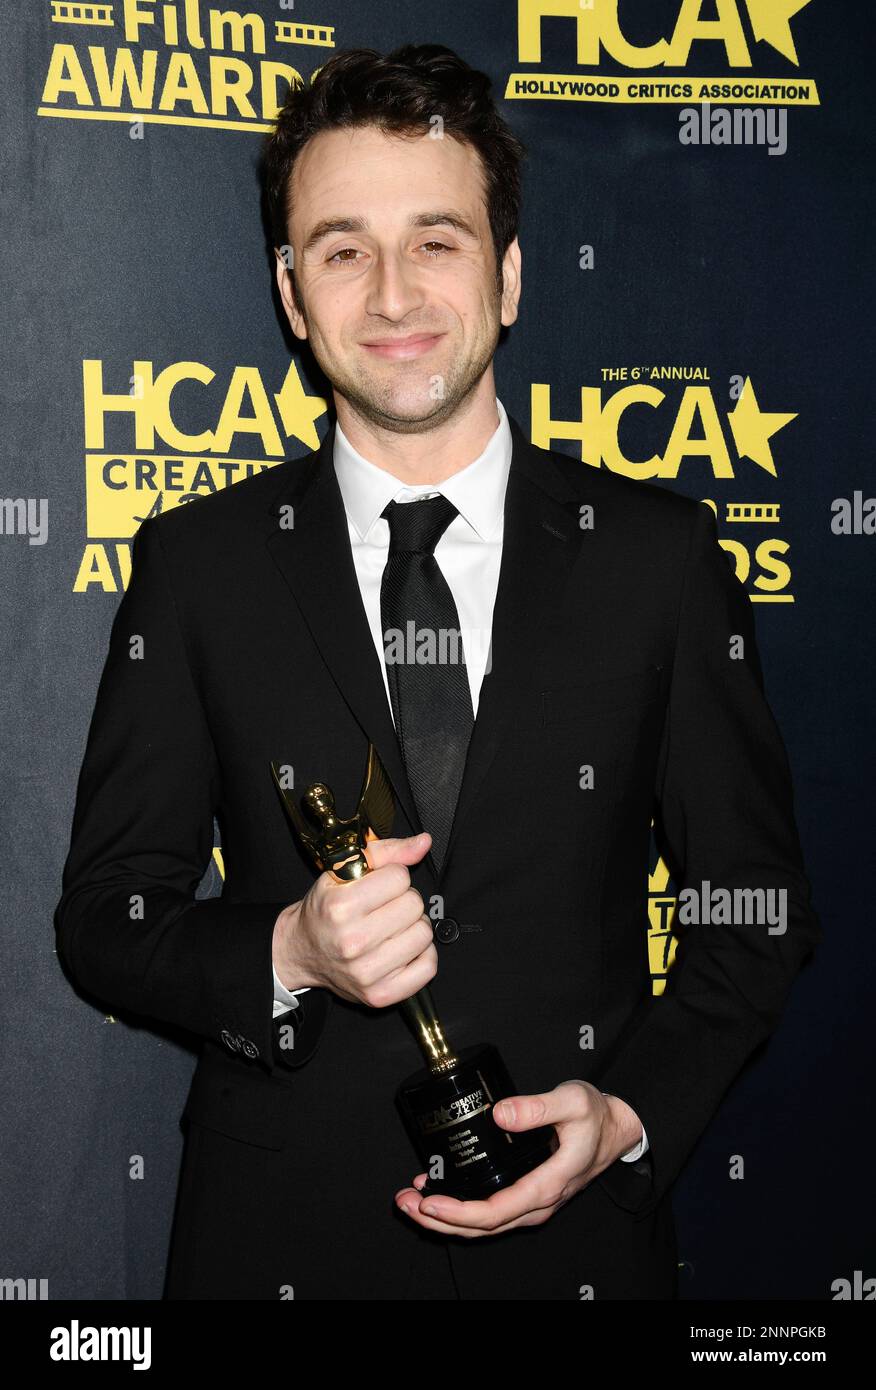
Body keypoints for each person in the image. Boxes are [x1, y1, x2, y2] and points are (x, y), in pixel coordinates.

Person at [55, 44, 820, 1301]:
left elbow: (757, 909)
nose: (395, 293)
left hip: (577, 1261)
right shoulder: (197, 566)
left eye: (440, 241)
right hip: (274, 1245)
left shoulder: (661, 561)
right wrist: (291, 953)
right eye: (344, 248)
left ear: (510, 275)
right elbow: (106, 919)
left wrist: (624, 1113)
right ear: (292, 295)